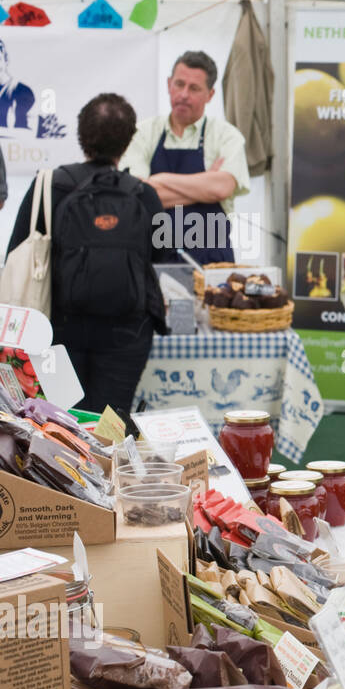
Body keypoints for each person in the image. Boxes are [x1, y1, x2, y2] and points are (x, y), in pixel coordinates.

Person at [5, 93, 171, 421]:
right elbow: (160, 255)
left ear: (81, 135)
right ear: (128, 141)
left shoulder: (47, 186)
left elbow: (16, 252)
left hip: (57, 335)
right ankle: (110, 470)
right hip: (127, 336)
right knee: (109, 425)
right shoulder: (145, 195)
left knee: (59, 423)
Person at [120, 51, 250, 265]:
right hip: (155, 260)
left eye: (194, 88)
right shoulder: (142, 133)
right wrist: (205, 183)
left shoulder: (227, 136)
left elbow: (221, 188)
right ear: (168, 84)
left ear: (210, 94)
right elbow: (136, 196)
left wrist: (157, 181)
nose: (183, 94)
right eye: (179, 84)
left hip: (212, 261)